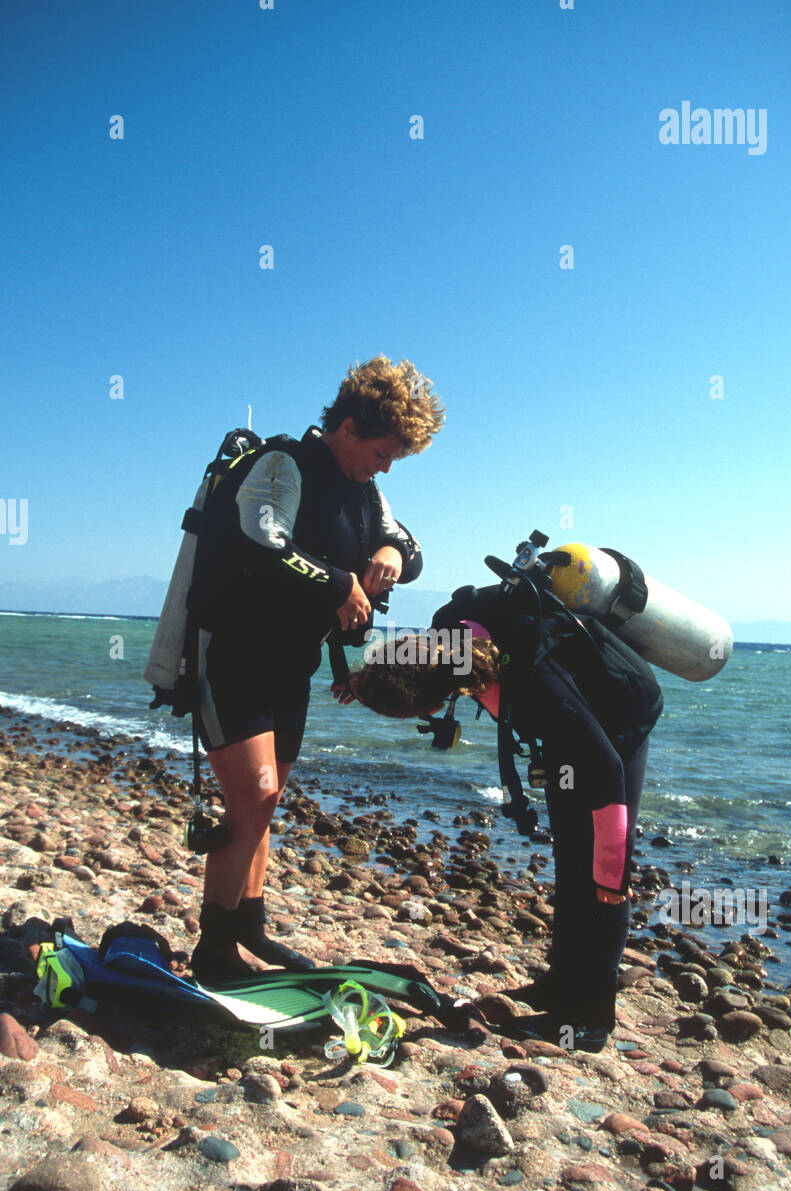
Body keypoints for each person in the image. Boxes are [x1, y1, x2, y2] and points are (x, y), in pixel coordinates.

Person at [187, 356, 444, 982]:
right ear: (349, 427)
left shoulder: (365, 491)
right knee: (255, 794)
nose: (386, 467)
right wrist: (337, 583)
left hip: (291, 665)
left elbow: (411, 548)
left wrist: (388, 550)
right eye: (382, 452)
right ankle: (214, 949)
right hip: (232, 655)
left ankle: (249, 925)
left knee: (264, 805)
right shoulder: (285, 464)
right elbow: (263, 539)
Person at [348, 579, 663, 1051]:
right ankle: (562, 986)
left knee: (599, 877)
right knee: (571, 856)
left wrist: (613, 872)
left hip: (620, 715)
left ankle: (591, 1021)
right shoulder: (442, 641)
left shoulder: (533, 684)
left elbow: (607, 772)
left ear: (436, 702)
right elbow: (396, 674)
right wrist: (360, 683)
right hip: (571, 721)